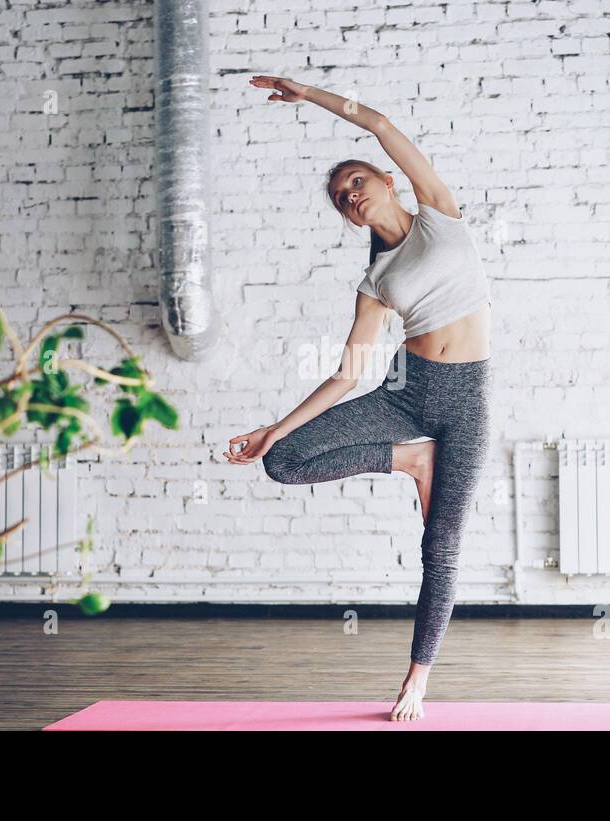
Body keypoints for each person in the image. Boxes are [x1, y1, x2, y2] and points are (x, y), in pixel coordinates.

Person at [223, 75, 493, 721]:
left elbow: (377, 122)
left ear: (387, 180)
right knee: (282, 460)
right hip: (404, 394)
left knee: (443, 544)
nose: (350, 195)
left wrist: (308, 95)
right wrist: (274, 426)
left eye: (356, 182)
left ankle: (417, 679)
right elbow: (349, 371)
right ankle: (409, 460)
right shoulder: (376, 278)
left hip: (467, 400)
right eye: (343, 197)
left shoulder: (440, 213)